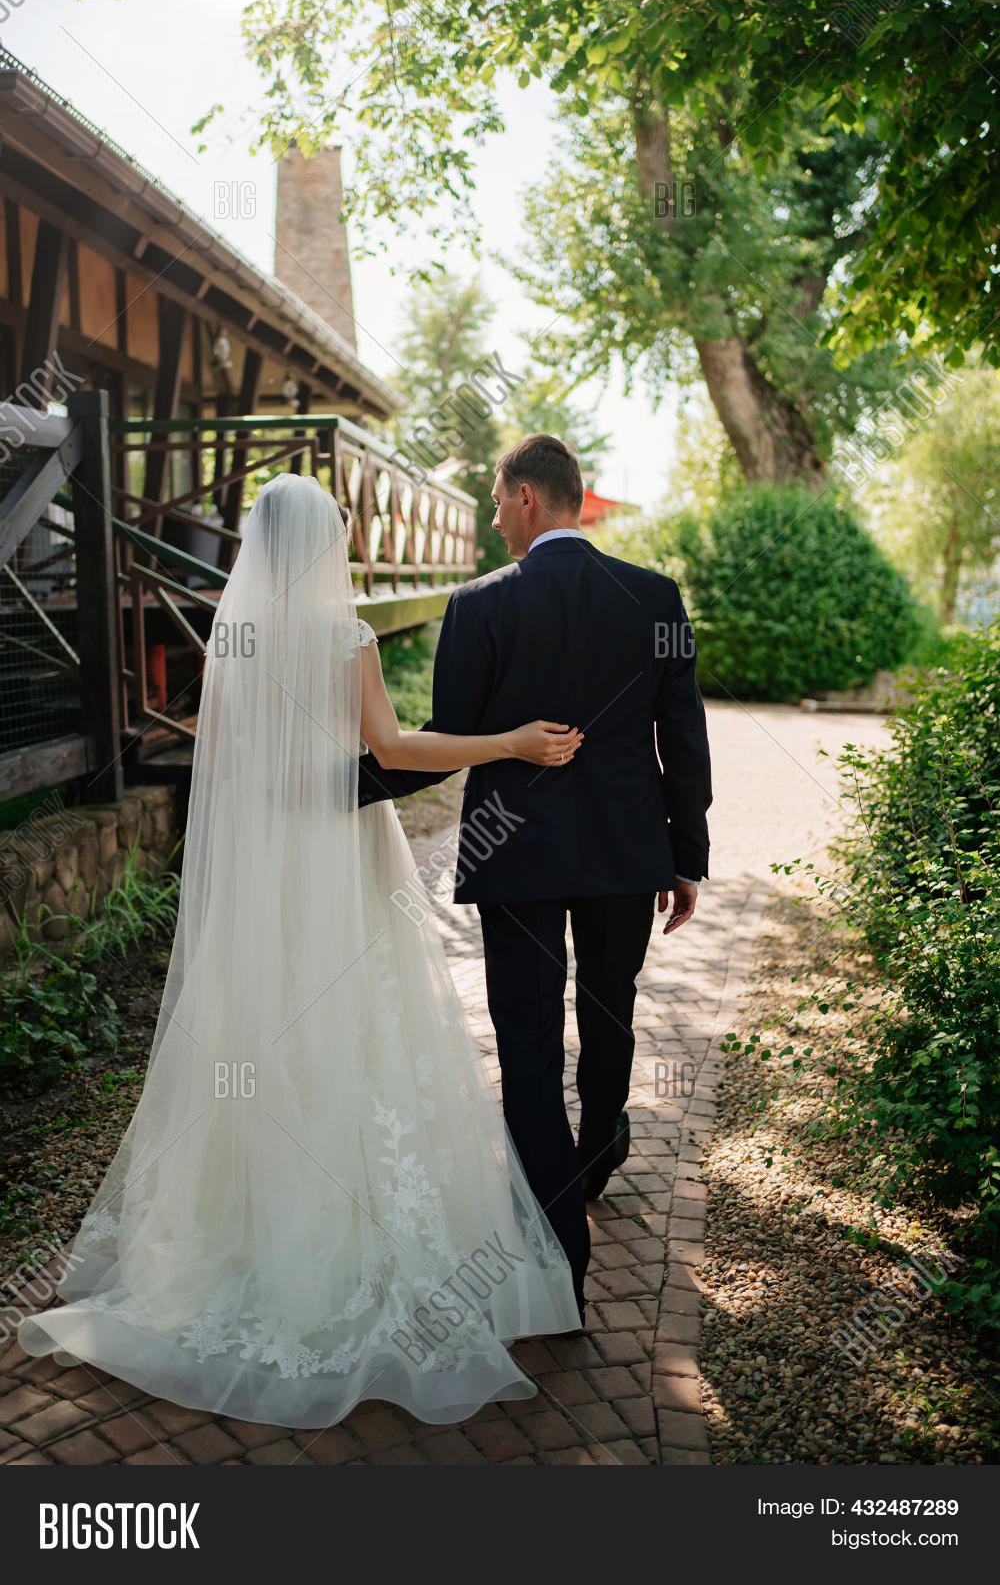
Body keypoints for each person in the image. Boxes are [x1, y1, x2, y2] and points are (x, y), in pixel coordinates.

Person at [17, 473, 584, 1429]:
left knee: (260, 1026)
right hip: (339, 849)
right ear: (323, 544)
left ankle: (250, 1229)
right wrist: (511, 744)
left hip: (264, 860)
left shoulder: (235, 635)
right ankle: (343, 1234)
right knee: (361, 1021)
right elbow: (395, 750)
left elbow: (229, 755)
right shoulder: (345, 635)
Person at [357, 434, 713, 1317]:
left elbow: (442, 742)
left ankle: (560, 1251)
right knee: (609, 1005)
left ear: (525, 498)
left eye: (492, 497)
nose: (489, 516)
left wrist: (336, 786)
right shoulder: (655, 597)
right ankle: (600, 1149)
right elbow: (685, 737)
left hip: (513, 857)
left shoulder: (478, 605)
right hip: (631, 855)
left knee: (524, 1041)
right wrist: (686, 855)